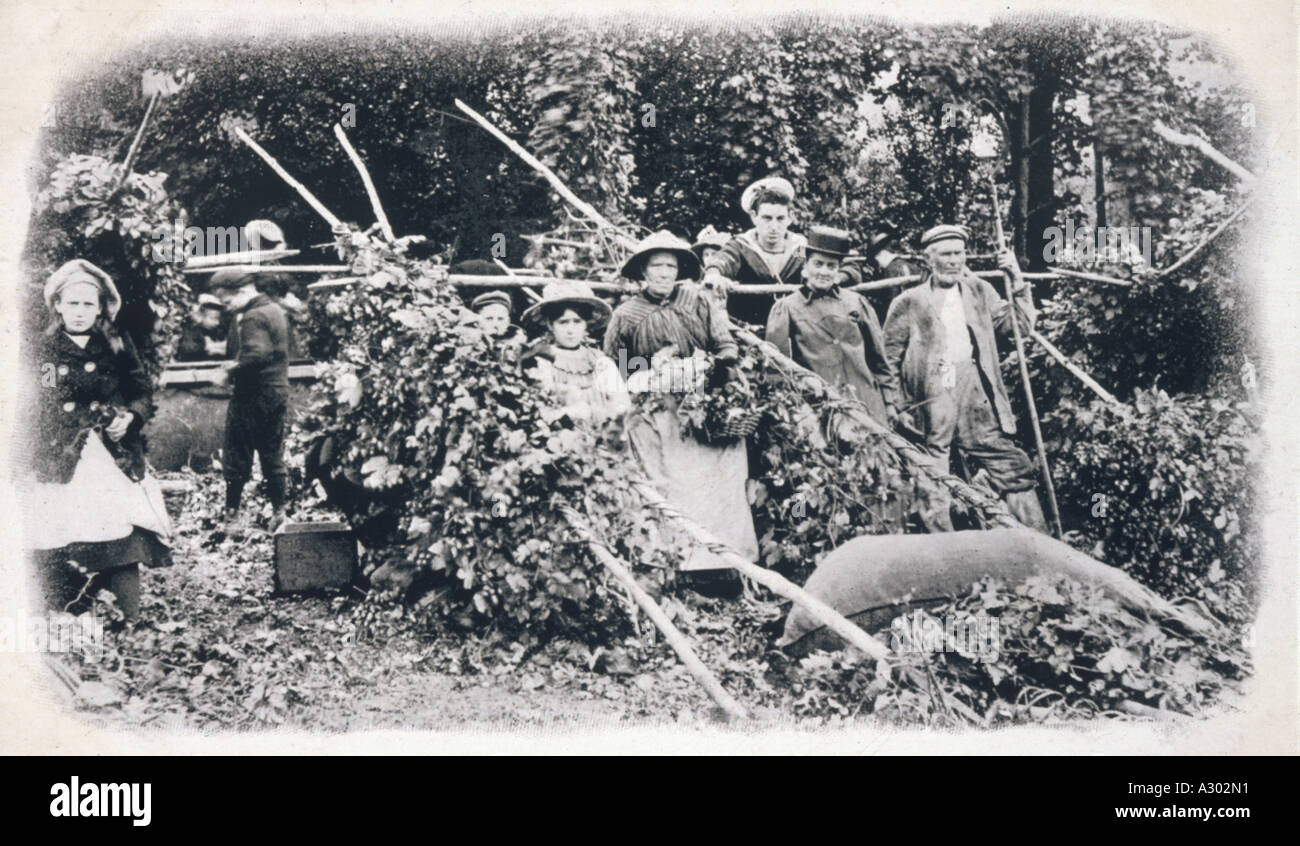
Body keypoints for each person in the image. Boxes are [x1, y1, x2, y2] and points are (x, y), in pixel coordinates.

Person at [21, 259, 174, 619]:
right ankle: (60, 610)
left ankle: (133, 618)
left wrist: (130, 417)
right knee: (52, 532)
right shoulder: (47, 349)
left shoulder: (117, 345)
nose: (79, 312)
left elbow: (140, 390)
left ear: (102, 308)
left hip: (110, 452)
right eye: (71, 303)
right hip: (62, 453)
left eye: (88, 304)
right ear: (57, 305)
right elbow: (44, 399)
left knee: (120, 530)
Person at [604, 230, 758, 577]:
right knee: (673, 484)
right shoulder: (627, 315)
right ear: (643, 271)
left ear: (679, 270)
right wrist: (654, 370)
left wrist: (712, 369)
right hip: (658, 414)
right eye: (656, 266)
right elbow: (616, 368)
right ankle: (680, 566)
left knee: (723, 482)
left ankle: (728, 566)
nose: (663, 273)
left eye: (670, 266)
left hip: (704, 406)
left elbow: (725, 344)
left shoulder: (698, 301)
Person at [882, 224, 1048, 532]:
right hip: (930, 395)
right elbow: (887, 359)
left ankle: (1038, 540)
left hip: (973, 389)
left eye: (958, 253)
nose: (953, 261)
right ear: (928, 259)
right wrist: (894, 405)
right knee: (932, 468)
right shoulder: (909, 302)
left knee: (1010, 461)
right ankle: (945, 549)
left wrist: (1016, 277)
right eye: (945, 254)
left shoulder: (979, 291)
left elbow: (1020, 326)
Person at [765, 225, 898, 425]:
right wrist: (795, 411)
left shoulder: (856, 302)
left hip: (867, 404)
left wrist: (889, 403)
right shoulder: (787, 308)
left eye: (831, 266)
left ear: (838, 270)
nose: (824, 272)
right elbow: (776, 368)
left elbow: (879, 358)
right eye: (818, 264)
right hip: (820, 409)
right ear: (805, 267)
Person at [702, 176, 865, 328]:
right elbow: (723, 261)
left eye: (780, 219)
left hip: (796, 331)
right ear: (754, 217)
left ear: (790, 218)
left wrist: (834, 278)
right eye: (767, 218)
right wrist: (714, 275)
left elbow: (847, 266)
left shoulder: (798, 249)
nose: (774, 226)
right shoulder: (743, 247)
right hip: (748, 333)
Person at [211, 269, 292, 532]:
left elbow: (258, 354)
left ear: (243, 291)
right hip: (277, 391)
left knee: (237, 454)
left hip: (252, 395)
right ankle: (280, 513)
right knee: (272, 454)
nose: (227, 308)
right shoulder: (274, 309)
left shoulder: (253, 316)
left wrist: (229, 370)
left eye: (227, 302)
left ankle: (231, 518)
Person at [520, 281, 629, 425]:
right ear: (550, 325)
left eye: (577, 322)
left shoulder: (599, 360)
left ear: (586, 324)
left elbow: (621, 404)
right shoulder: (542, 361)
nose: (571, 330)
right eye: (563, 322)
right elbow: (541, 409)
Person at [469, 290, 528, 355]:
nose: (495, 324)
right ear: (477, 322)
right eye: (489, 319)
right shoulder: (467, 346)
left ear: (508, 322)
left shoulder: (519, 347)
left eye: (500, 319)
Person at [175, 293, 228, 361]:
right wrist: (207, 347)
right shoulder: (192, 330)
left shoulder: (215, 331)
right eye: (213, 318)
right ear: (200, 316)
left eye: (219, 319)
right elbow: (189, 348)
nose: (217, 323)